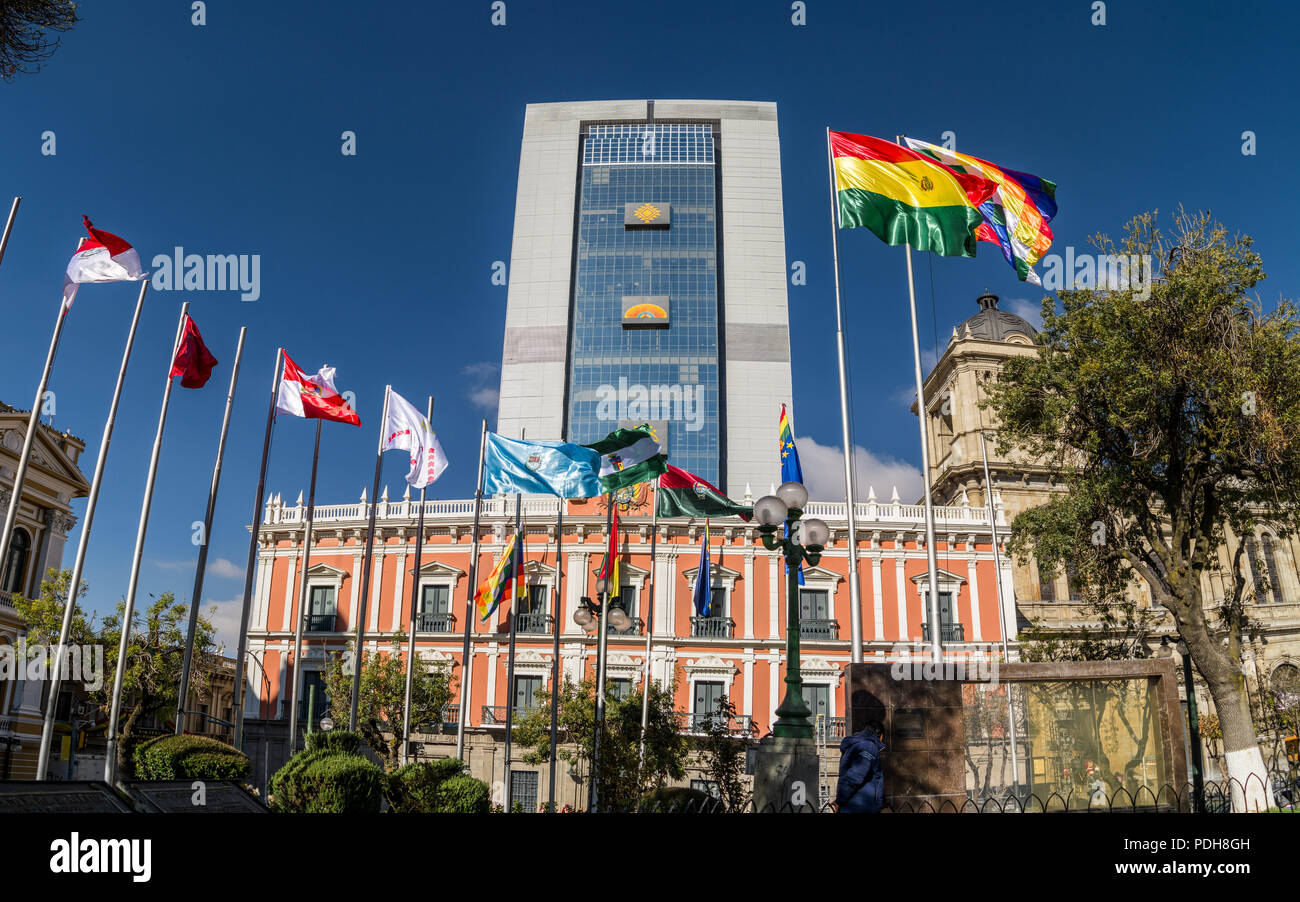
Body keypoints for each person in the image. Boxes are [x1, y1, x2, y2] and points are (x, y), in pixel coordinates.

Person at [836, 720, 886, 812]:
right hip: (861, 806)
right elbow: (855, 776)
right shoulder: (868, 747)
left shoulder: (858, 744)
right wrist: (839, 801)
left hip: (853, 805)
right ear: (881, 736)